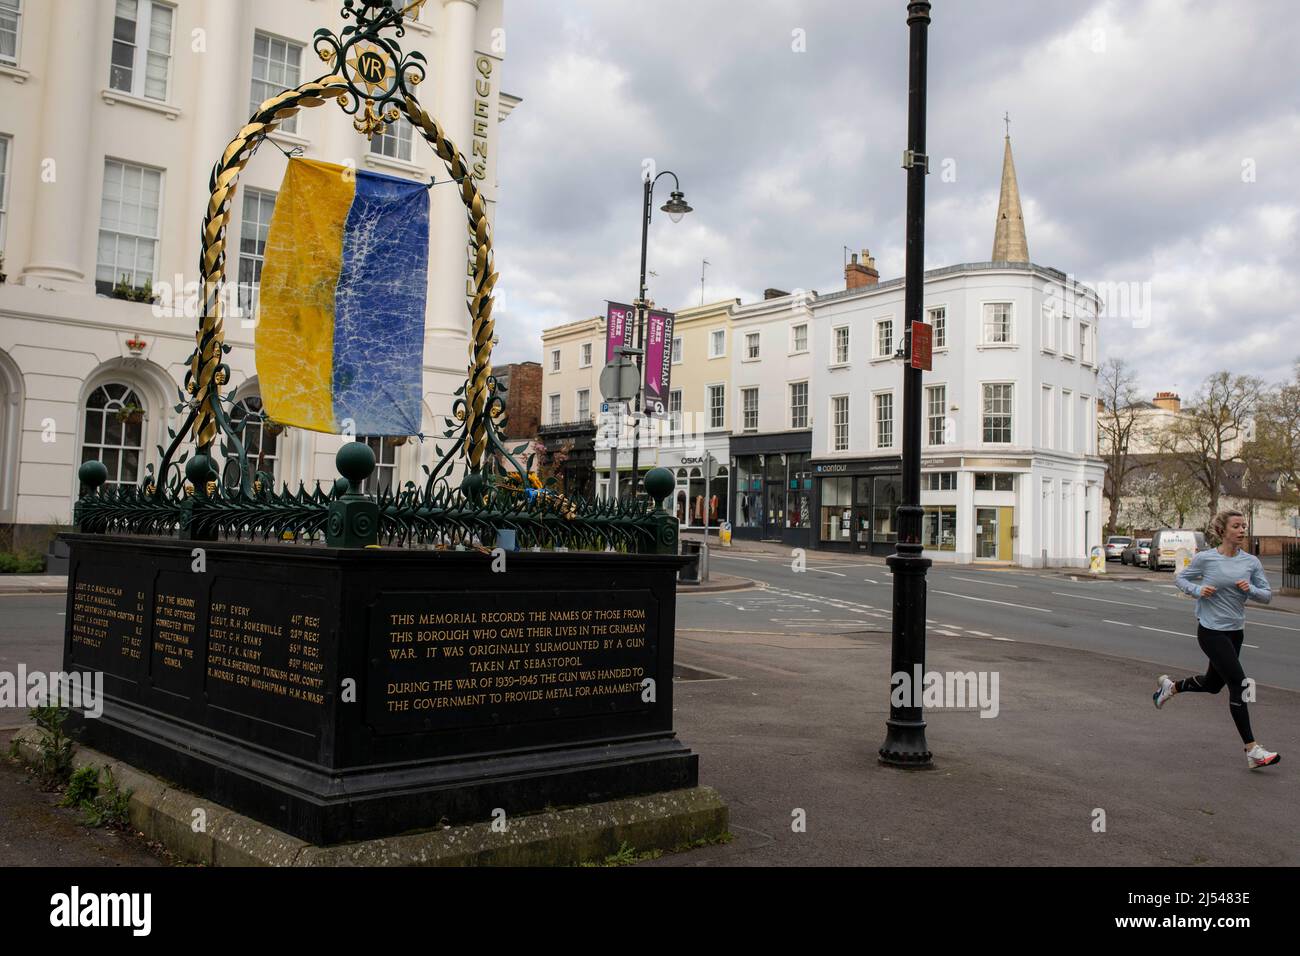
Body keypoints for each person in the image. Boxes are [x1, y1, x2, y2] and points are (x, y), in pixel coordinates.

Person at [1152, 510, 1280, 769]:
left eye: (1244, 526)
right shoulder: (1206, 558)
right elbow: (1181, 578)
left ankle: (1171, 688)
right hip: (1210, 631)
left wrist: (1250, 589)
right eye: (1236, 526)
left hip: (1235, 631)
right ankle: (1252, 749)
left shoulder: (1251, 562)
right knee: (1239, 683)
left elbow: (1266, 595)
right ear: (1223, 531)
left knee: (1213, 684)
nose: (1242, 530)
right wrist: (1199, 590)